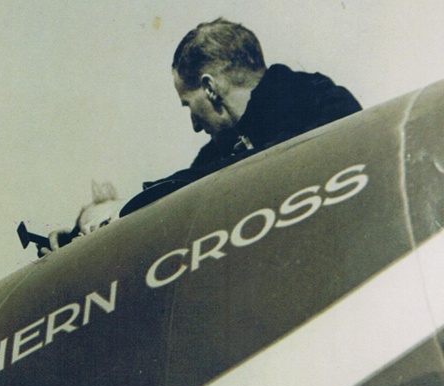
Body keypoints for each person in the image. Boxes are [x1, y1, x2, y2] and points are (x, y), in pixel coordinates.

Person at [39, 18, 361, 253]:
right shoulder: (218, 153)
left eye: (188, 105)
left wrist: (129, 210)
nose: (194, 124)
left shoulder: (316, 100)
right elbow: (193, 186)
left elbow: (270, 162)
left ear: (209, 88)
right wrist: (82, 234)